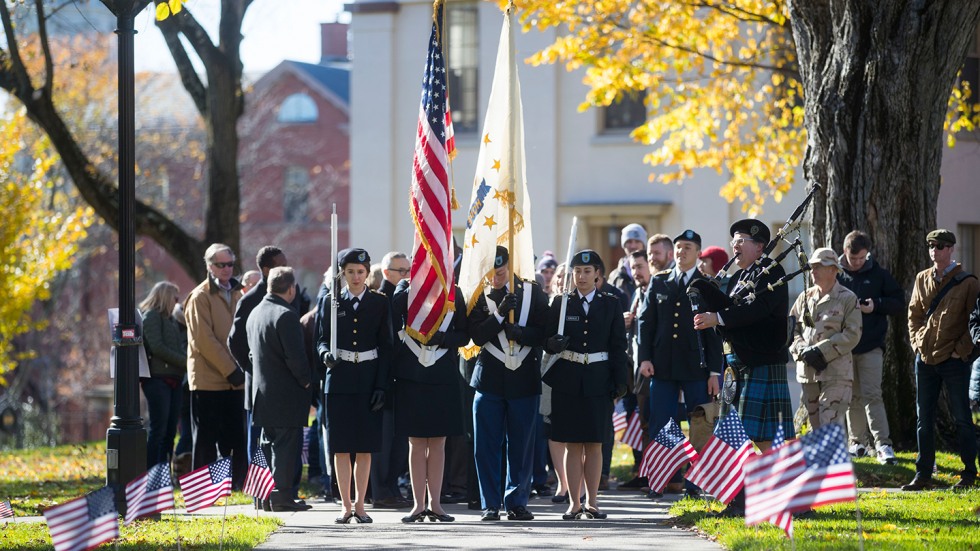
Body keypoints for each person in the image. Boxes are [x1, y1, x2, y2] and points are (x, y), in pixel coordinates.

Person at [693, 219, 795, 517]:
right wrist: (709, 311)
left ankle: (750, 500)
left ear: (760, 246)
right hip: (741, 364)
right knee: (755, 438)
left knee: (750, 437)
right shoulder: (742, 276)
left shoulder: (771, 273)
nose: (734, 246)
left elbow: (756, 312)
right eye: (733, 241)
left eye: (741, 241)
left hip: (761, 362)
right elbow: (734, 312)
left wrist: (719, 318)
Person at [544, 249, 628, 520]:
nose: (581, 276)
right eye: (577, 272)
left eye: (587, 271)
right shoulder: (561, 303)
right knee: (571, 443)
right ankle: (574, 501)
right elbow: (546, 338)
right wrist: (551, 343)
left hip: (598, 377)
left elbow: (618, 346)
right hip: (568, 378)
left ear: (598, 276)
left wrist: (619, 382)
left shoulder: (611, 303)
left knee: (595, 443)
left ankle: (592, 501)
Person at [637, 230, 722, 496]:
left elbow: (714, 333)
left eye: (687, 247)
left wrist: (714, 371)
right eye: (678, 247)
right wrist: (645, 358)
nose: (681, 252)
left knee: (699, 424)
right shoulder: (660, 281)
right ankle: (661, 479)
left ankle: (695, 484)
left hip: (696, 366)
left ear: (698, 253)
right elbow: (646, 321)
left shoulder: (707, 284)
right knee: (662, 423)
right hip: (662, 364)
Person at [467, 246, 549, 522]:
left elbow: (544, 331)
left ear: (510, 267)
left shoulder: (532, 292)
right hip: (489, 379)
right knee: (486, 446)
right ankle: (490, 503)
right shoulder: (479, 294)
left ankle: (517, 501)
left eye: (500, 272)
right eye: (491, 273)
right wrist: (500, 315)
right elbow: (477, 335)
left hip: (523, 379)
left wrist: (522, 333)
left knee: (521, 446)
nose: (496, 278)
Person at [316, 248, 393, 522]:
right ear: (342, 273)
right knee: (341, 445)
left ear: (368, 273)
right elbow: (321, 339)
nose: (356, 277)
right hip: (340, 379)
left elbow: (386, 346)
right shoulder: (330, 302)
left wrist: (382, 386)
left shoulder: (380, 303)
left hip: (369, 378)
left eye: (361, 272)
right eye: (350, 272)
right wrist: (326, 354)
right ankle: (345, 504)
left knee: (364, 446)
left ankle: (361, 505)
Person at [903, 229, 979, 491]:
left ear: (952, 250)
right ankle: (923, 474)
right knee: (923, 418)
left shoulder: (968, 282)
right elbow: (913, 315)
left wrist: (961, 351)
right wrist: (916, 343)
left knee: (961, 417)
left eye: (941, 246)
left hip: (954, 360)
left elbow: (975, 321)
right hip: (925, 358)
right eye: (931, 245)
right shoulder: (922, 278)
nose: (935, 250)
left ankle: (969, 473)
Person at [392, 279, 467, 523]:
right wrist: (411, 287)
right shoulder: (406, 290)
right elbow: (394, 317)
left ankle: (435, 504)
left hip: (442, 374)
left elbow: (464, 335)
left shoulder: (454, 293)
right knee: (416, 442)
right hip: (412, 375)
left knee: (438, 442)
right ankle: (417, 504)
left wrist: (444, 339)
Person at [246, 267, 313, 512]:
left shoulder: (256, 313)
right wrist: (307, 381)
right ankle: (282, 496)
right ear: (291, 288)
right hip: (286, 393)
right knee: (285, 446)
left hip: (262, 392)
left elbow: (251, 355)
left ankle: (263, 496)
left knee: (266, 444)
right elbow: (295, 358)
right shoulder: (286, 315)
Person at [838, 230, 905, 464]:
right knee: (851, 397)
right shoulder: (836, 274)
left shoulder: (878, 274)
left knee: (872, 395)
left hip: (871, 346)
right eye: (852, 258)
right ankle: (856, 442)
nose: (856, 263)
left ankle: (883, 444)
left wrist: (875, 305)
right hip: (844, 348)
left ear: (867, 254)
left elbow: (898, 302)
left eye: (861, 259)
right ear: (844, 252)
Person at [184, 243, 247, 488]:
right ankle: (202, 489)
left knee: (235, 437)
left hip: (235, 380)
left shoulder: (239, 293)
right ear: (210, 267)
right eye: (221, 265)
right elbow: (203, 340)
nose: (226, 269)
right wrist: (231, 370)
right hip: (209, 380)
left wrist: (240, 368)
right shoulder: (200, 296)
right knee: (206, 438)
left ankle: (236, 484)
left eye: (230, 264)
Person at [228, 246, 289, 476]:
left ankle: (282, 489)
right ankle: (259, 490)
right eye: (280, 264)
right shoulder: (251, 299)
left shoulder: (288, 295)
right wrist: (252, 368)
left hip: (283, 382)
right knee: (258, 439)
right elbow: (235, 341)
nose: (286, 268)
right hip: (259, 385)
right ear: (266, 270)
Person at [790, 248, 862, 430]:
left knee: (828, 424)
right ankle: (825, 459)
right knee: (815, 430)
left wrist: (820, 350)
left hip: (836, 373)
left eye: (818, 267)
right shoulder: (804, 297)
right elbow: (791, 330)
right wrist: (802, 350)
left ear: (833, 270)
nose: (813, 271)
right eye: (812, 267)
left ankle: (831, 458)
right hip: (808, 373)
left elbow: (853, 334)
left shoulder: (847, 298)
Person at [371, 251, 412, 509]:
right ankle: (380, 490)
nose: (407, 276)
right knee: (383, 441)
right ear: (387, 273)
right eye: (402, 271)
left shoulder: (404, 297)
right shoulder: (380, 300)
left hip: (401, 377)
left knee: (398, 441)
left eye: (409, 270)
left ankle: (392, 486)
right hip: (383, 378)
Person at [139, 281, 187, 470]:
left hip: (174, 379)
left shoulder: (171, 320)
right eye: (175, 298)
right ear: (165, 297)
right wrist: (184, 361)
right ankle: (151, 472)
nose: (177, 302)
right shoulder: (151, 316)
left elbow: (176, 346)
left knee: (169, 431)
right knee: (158, 429)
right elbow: (157, 347)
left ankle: (164, 471)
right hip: (158, 380)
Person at [619, 250, 652, 490]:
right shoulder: (637, 293)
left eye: (640, 266)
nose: (636, 272)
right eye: (633, 267)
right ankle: (641, 471)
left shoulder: (656, 291)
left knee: (648, 422)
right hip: (631, 368)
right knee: (635, 421)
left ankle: (656, 475)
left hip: (649, 370)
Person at [609, 223, 648, 300]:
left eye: (637, 241)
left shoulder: (653, 271)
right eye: (629, 241)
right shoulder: (615, 276)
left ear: (644, 244)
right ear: (624, 245)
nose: (633, 246)